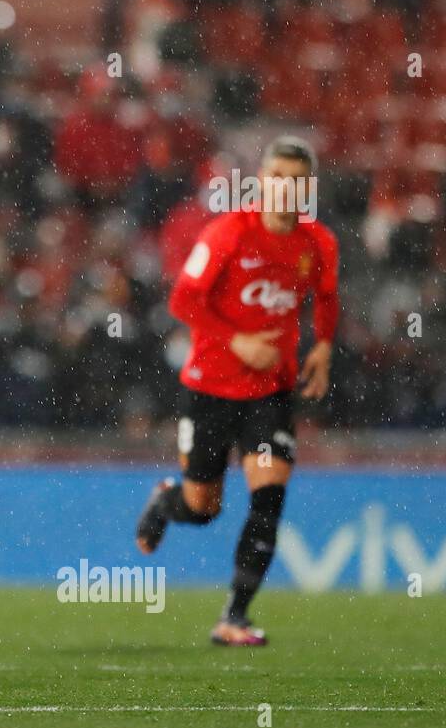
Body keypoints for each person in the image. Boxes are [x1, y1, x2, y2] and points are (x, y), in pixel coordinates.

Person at [135, 136, 339, 646]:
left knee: (269, 499)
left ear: (307, 188)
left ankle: (235, 618)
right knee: (203, 509)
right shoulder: (229, 232)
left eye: (296, 181)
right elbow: (183, 299)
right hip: (209, 389)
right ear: (262, 182)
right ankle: (167, 501)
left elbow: (328, 295)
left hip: (270, 393)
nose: (285, 190)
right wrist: (238, 340)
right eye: (277, 179)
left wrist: (325, 346)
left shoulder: (318, 244)